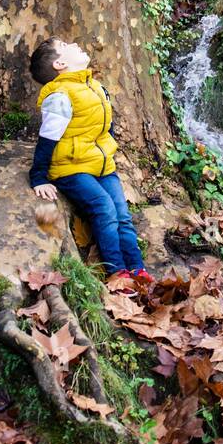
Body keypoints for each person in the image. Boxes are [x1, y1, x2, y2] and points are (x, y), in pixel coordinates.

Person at [28, 37, 153, 291]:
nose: (75, 44)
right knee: (104, 207)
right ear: (60, 63)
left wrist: (108, 152)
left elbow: (106, 128)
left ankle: (138, 268)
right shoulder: (60, 96)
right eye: (65, 46)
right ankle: (117, 272)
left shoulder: (94, 86)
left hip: (101, 165)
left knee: (122, 215)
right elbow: (47, 138)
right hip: (70, 167)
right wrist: (39, 176)